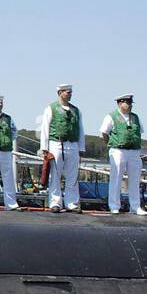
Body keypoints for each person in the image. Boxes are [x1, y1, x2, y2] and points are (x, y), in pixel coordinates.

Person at [99, 94, 146, 215]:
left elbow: (140, 132)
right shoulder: (111, 117)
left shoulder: (135, 118)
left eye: (131, 103)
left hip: (134, 151)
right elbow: (104, 133)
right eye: (127, 103)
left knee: (135, 179)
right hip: (118, 150)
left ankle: (135, 206)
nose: (130, 106)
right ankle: (114, 205)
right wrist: (112, 144)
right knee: (116, 178)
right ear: (120, 104)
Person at [41, 84, 84, 212]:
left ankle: (72, 203)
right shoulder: (51, 108)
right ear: (60, 93)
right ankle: (55, 203)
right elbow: (45, 128)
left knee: (72, 175)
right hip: (56, 143)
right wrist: (45, 147)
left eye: (71, 92)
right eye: (67, 92)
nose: (70, 94)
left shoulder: (76, 110)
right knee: (56, 174)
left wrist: (81, 147)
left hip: (73, 144)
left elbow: (81, 129)